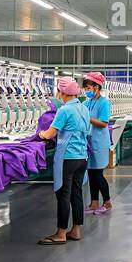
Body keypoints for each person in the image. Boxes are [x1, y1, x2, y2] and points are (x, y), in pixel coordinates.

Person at [36, 76, 91, 244]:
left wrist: (40, 134)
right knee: (76, 193)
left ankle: (60, 233)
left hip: (67, 158)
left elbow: (50, 134)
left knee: (63, 194)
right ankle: (75, 230)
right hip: (82, 157)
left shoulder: (64, 110)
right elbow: (87, 131)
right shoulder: (84, 109)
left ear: (61, 92)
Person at [81, 72, 113, 214]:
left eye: (88, 88)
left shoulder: (104, 102)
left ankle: (107, 202)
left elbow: (103, 123)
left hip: (99, 142)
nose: (86, 91)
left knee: (97, 174)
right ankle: (94, 203)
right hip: (88, 142)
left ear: (96, 87)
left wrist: (87, 118)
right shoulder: (87, 102)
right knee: (91, 173)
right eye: (85, 89)